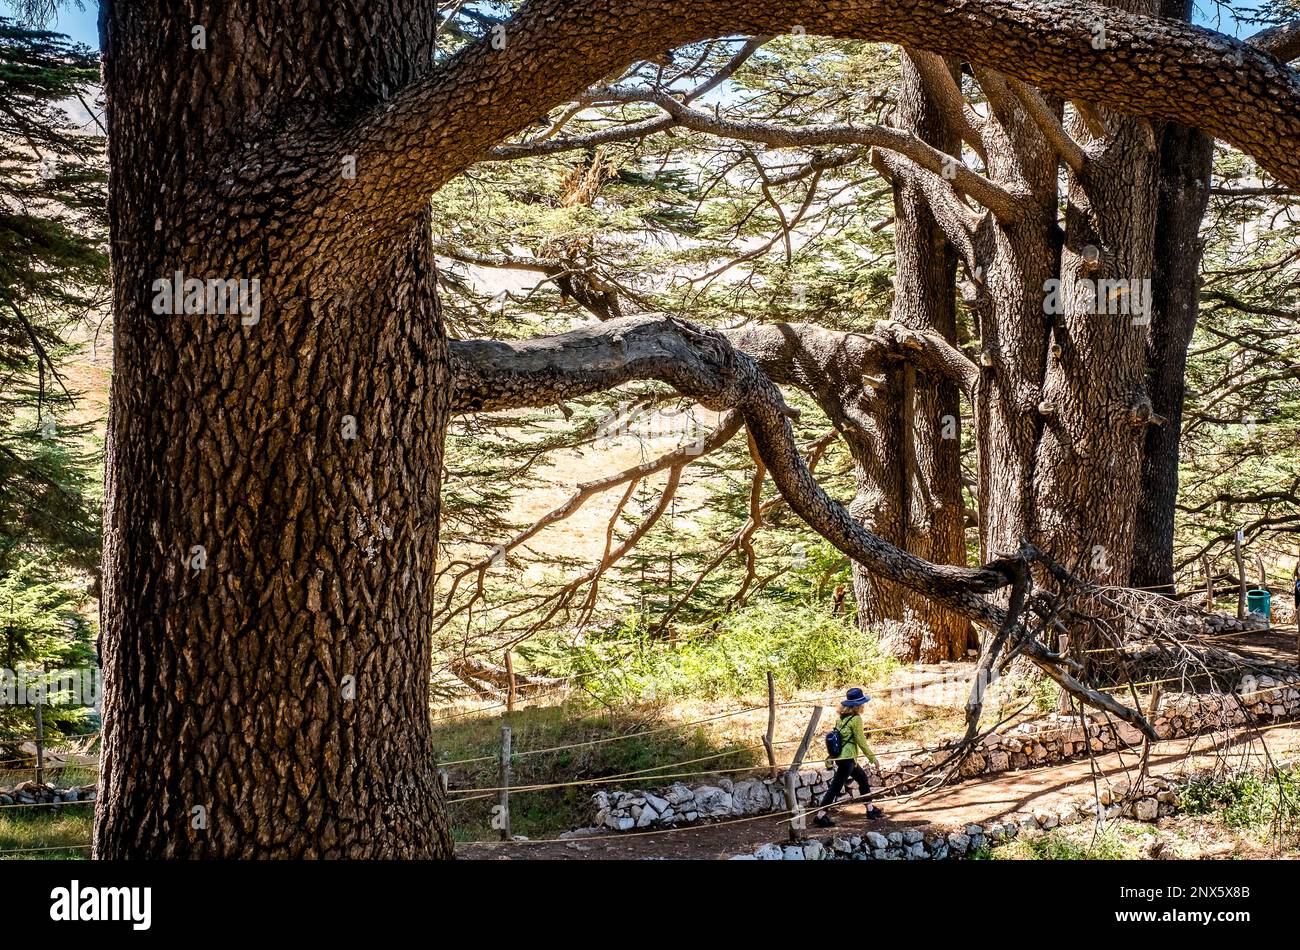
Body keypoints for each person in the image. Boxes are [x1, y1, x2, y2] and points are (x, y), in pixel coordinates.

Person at [814, 687, 883, 827]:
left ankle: (870, 809)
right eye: (862, 703)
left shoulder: (841, 718)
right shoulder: (856, 719)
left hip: (842, 758)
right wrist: (873, 758)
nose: (864, 705)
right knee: (836, 786)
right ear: (857, 705)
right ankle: (820, 815)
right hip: (848, 759)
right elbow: (861, 741)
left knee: (863, 779)